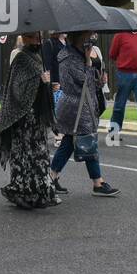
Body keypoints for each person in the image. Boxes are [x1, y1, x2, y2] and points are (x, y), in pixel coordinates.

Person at [50, 30, 120, 197]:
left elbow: (90, 82)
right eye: (87, 37)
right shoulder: (67, 57)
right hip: (75, 107)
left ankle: (51, 176)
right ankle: (98, 183)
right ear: (78, 38)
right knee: (87, 140)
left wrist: (99, 79)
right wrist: (89, 63)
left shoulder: (78, 53)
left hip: (83, 106)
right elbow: (80, 83)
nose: (90, 39)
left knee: (70, 142)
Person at [0, 31, 59, 209]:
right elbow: (17, 87)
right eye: (34, 38)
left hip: (37, 117)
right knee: (23, 156)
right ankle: (21, 191)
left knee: (39, 155)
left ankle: (39, 192)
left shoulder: (36, 57)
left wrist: (46, 82)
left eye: (39, 38)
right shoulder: (21, 58)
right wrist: (39, 80)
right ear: (25, 39)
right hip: (23, 117)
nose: (38, 41)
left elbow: (38, 84)